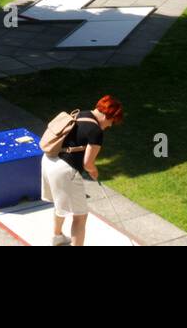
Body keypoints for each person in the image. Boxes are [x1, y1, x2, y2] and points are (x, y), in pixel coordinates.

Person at [41, 96, 124, 246]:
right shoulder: (96, 132)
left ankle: (57, 236)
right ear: (107, 115)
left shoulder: (80, 113)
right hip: (65, 170)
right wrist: (94, 171)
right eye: (112, 121)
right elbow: (87, 163)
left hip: (48, 161)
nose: (110, 125)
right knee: (80, 216)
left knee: (60, 204)